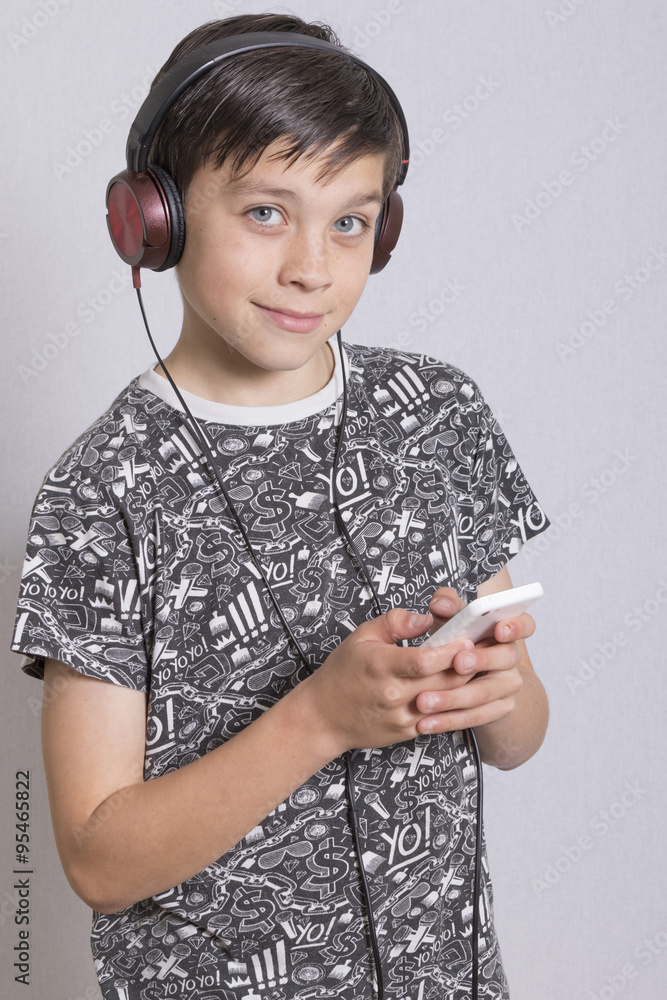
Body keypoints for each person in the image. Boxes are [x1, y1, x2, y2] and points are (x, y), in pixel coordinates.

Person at [11, 12, 550, 1000]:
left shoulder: (436, 413)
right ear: (156, 219)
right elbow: (96, 858)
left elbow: (518, 738)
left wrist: (495, 688)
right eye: (266, 212)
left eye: (349, 221)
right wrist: (319, 719)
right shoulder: (103, 489)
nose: (313, 265)